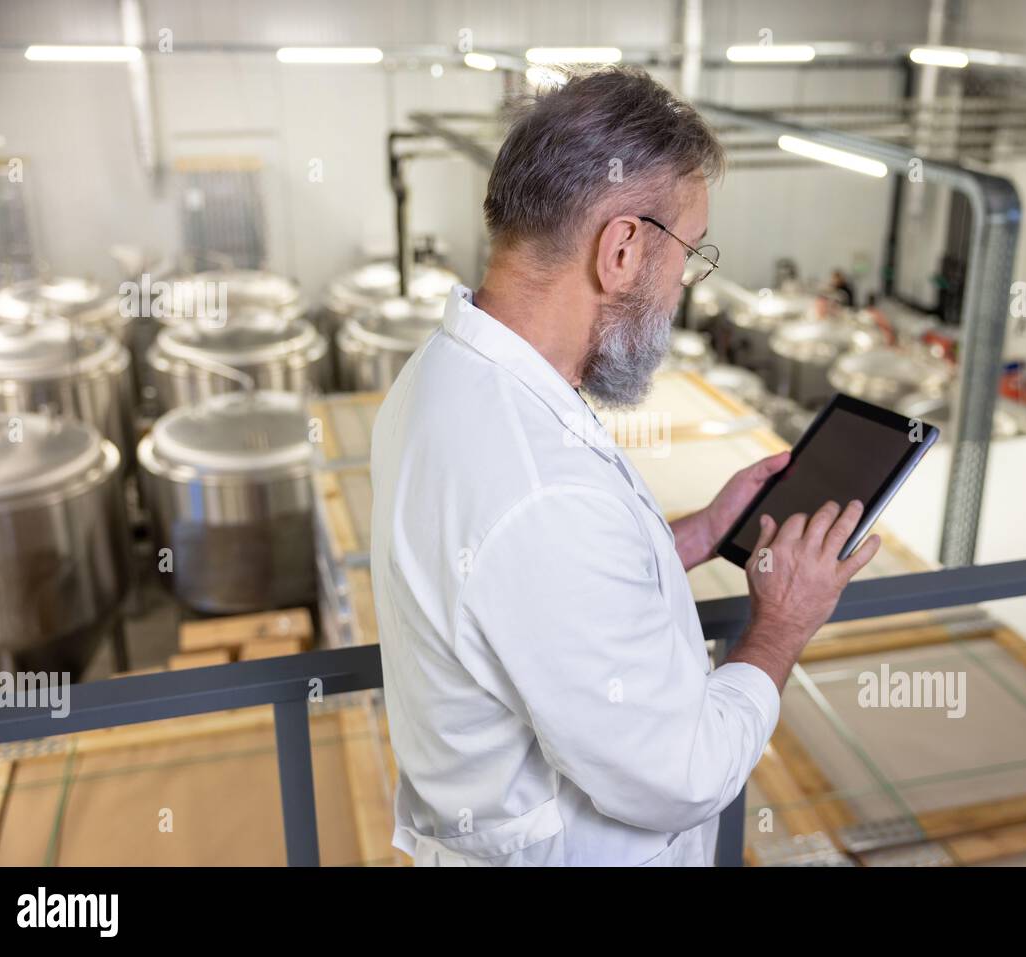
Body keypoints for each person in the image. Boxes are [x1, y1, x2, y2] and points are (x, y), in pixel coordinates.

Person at [369, 66, 880, 866]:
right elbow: (682, 773)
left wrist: (696, 535)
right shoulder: (543, 488)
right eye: (689, 254)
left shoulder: (440, 375)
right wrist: (783, 623)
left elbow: (526, 598)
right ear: (622, 248)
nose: (684, 287)